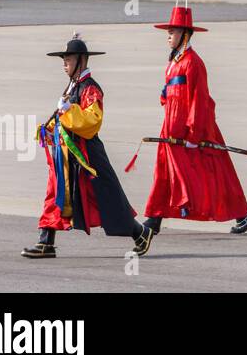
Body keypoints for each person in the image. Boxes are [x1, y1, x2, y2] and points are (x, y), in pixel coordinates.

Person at [23, 34, 154, 258]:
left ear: (81, 60)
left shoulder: (91, 88)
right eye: (64, 60)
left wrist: (68, 111)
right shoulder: (73, 85)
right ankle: (46, 241)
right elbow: (64, 119)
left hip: (87, 155)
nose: (64, 64)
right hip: (66, 154)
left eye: (68, 59)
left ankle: (140, 231)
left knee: (105, 197)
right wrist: (50, 128)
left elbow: (92, 121)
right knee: (55, 192)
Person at [139, 5, 247, 239]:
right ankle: (155, 216)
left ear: (185, 34)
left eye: (173, 32)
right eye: (168, 32)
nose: (168, 36)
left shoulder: (193, 63)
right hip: (171, 126)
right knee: (164, 171)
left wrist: (194, 134)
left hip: (191, 129)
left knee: (215, 173)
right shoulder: (174, 61)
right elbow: (169, 92)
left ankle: (243, 213)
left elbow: (200, 99)